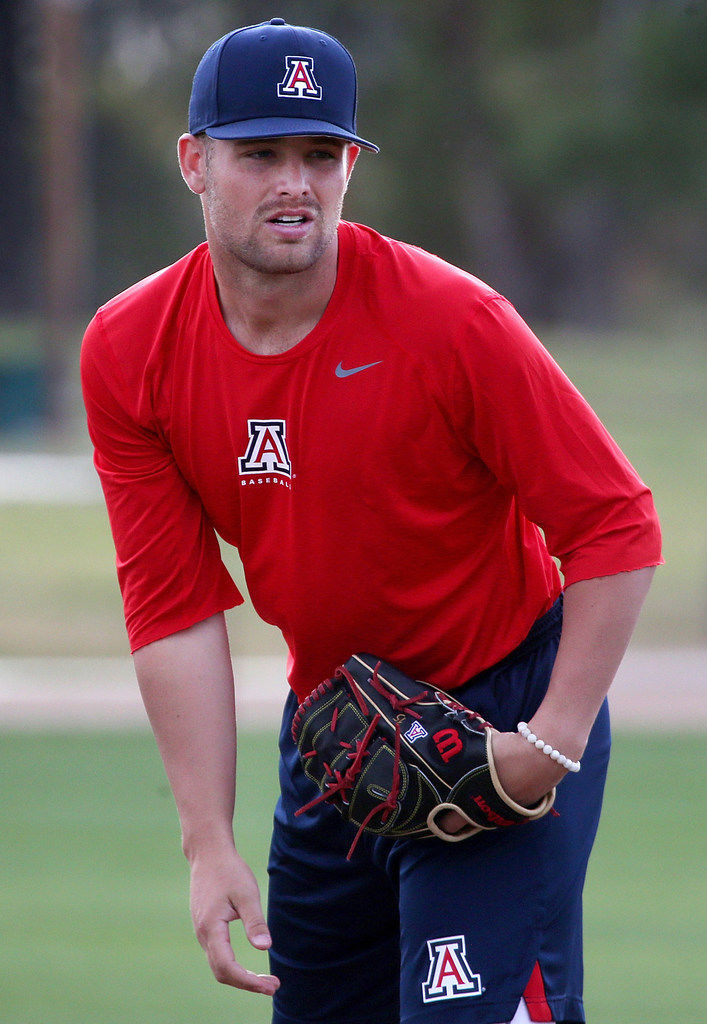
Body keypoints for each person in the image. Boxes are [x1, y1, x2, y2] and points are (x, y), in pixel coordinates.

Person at [81, 17, 662, 1024]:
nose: (295, 183)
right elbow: (172, 608)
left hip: (499, 712)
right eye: (260, 154)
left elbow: (615, 525)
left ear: (350, 166)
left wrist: (549, 743)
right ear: (194, 162)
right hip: (335, 736)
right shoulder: (130, 350)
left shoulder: (453, 321)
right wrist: (206, 841)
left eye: (321, 154)